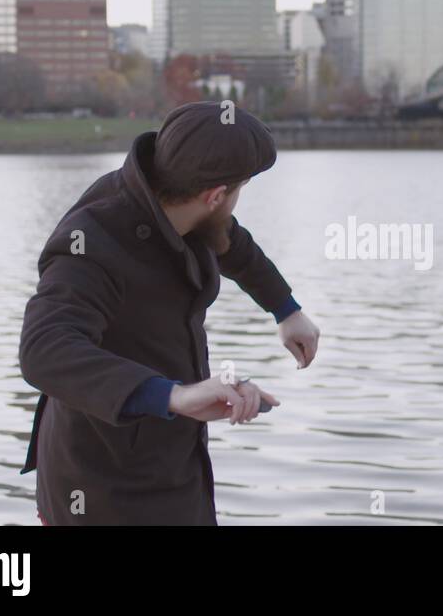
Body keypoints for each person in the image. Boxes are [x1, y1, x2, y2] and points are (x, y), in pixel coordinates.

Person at [18, 101, 320, 525]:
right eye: (240, 190)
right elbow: (44, 351)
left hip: (173, 460)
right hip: (98, 481)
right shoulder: (90, 243)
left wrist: (286, 309)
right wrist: (175, 395)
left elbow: (232, 243)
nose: (233, 205)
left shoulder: (179, 201)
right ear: (216, 195)